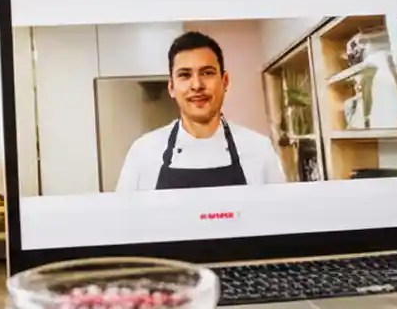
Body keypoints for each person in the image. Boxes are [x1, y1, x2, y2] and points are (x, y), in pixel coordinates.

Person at [116, 31, 287, 191]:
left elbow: (279, 218)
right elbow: (125, 221)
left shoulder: (259, 150)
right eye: (184, 75)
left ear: (225, 81)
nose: (197, 85)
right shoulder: (143, 153)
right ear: (171, 87)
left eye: (207, 73)